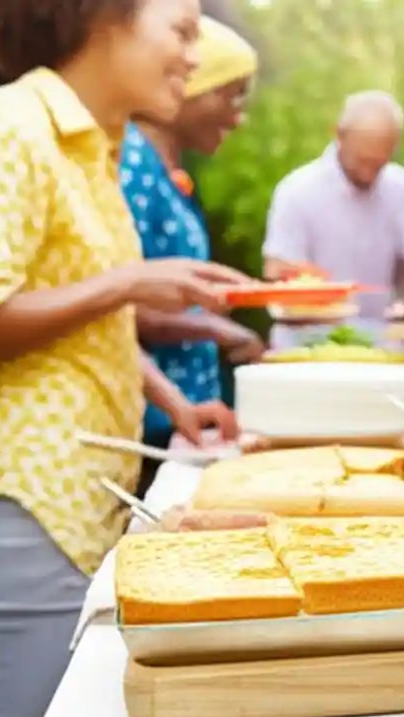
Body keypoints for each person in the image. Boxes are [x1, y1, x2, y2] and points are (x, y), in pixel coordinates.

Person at [0, 1, 252, 716]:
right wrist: (130, 281)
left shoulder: (95, 149)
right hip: (23, 500)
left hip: (82, 497)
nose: (195, 57)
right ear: (104, 17)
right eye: (183, 31)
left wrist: (172, 401)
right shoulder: (5, 127)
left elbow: (80, 324)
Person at [123, 16, 261, 476]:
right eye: (233, 93)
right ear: (194, 88)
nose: (239, 116)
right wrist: (218, 330)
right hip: (147, 423)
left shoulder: (165, 169)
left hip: (180, 412)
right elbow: (116, 299)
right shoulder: (132, 162)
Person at [263, 90, 404, 321]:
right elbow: (278, 271)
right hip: (311, 339)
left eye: (379, 164)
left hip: (385, 338)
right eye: (363, 161)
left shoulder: (400, 185)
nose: (369, 174)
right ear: (339, 135)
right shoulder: (297, 190)